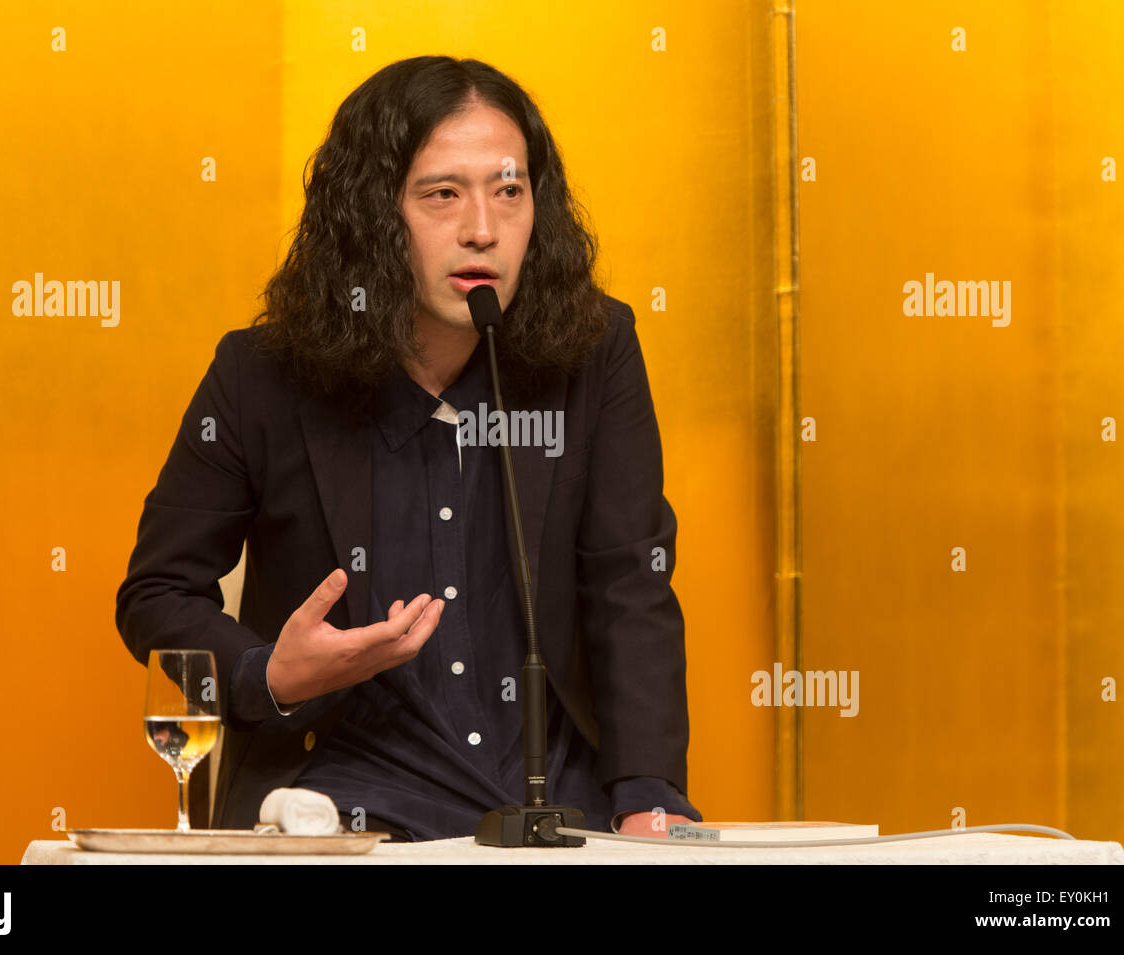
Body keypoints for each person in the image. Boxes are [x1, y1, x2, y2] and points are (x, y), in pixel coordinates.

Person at [115, 55, 701, 841]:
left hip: (556, 811)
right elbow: (157, 593)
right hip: (343, 811)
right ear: (372, 215)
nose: (483, 230)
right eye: (442, 194)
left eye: (509, 191)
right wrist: (268, 676)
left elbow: (631, 580)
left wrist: (647, 794)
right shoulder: (260, 378)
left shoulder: (596, 352)